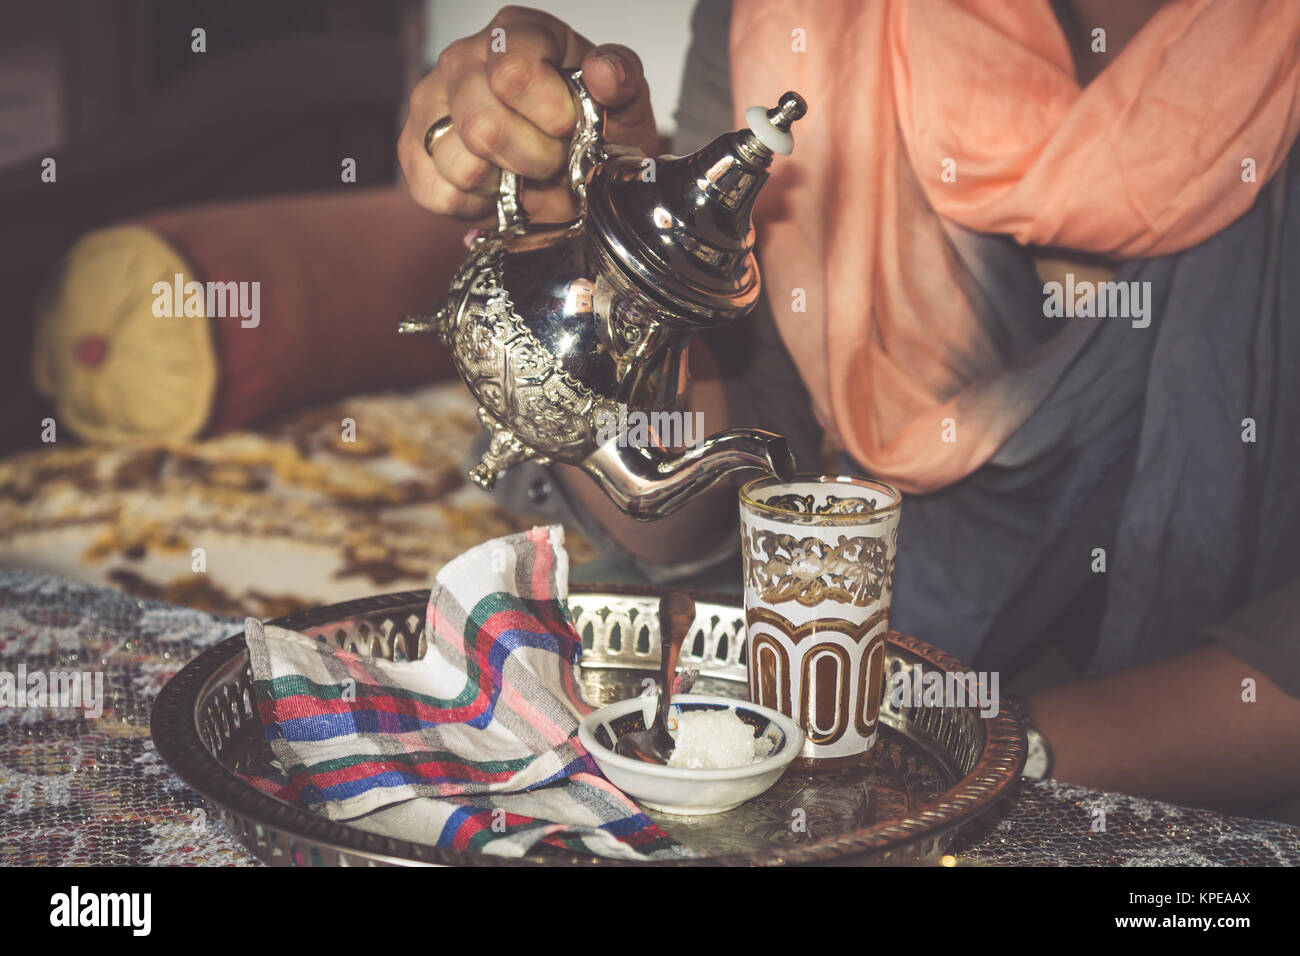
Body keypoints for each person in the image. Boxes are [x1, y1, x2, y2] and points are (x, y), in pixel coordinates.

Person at [399, 1, 1300, 818]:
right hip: (845, 713)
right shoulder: (799, 21)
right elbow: (679, 514)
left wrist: (953, 766)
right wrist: (581, 229)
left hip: (1166, 760)